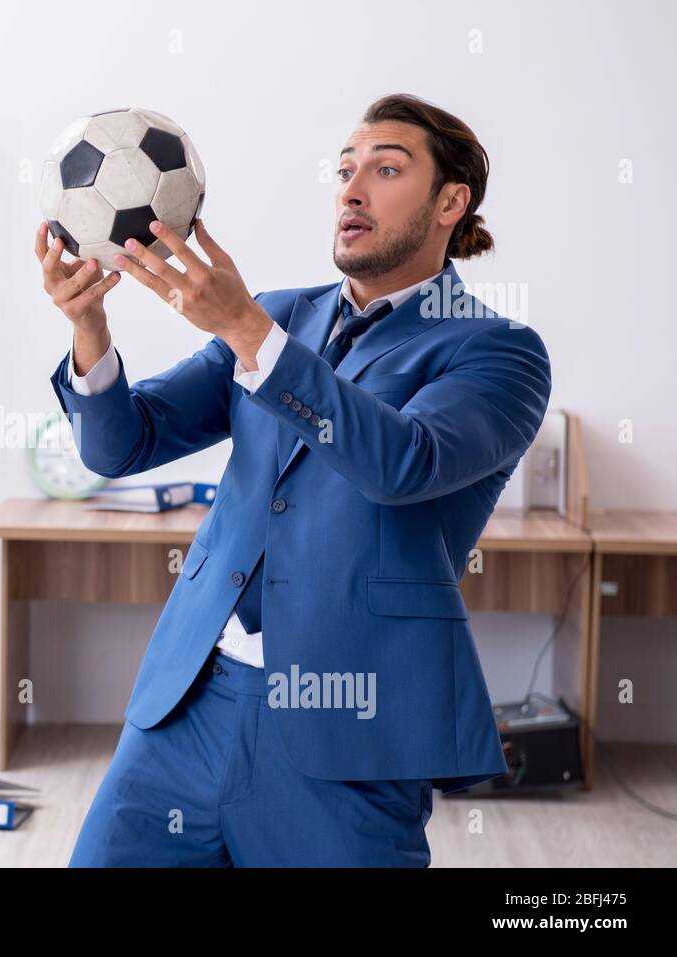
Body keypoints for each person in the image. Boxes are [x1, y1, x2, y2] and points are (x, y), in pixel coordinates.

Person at [36, 93, 551, 867]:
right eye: (345, 169)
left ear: (452, 201)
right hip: (186, 711)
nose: (351, 188)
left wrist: (246, 330)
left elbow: (403, 462)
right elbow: (123, 445)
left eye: (385, 169)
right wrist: (89, 330)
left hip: (347, 733)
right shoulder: (280, 316)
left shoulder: (496, 351)